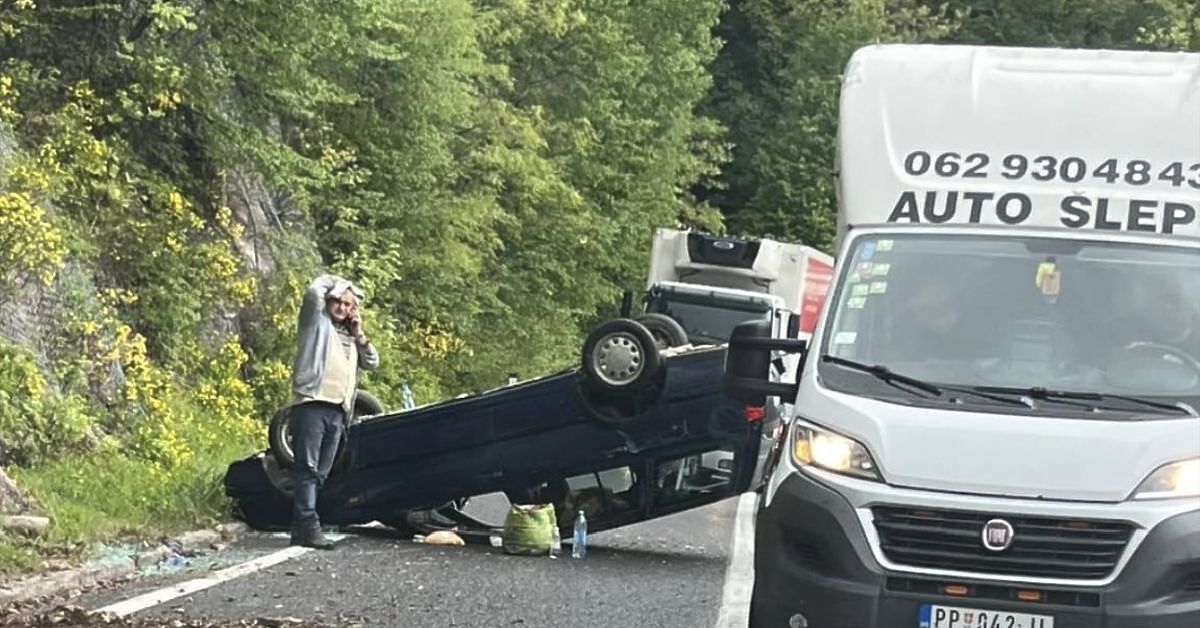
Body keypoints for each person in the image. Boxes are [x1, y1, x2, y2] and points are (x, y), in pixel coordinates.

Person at [287, 274, 380, 549]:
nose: (342, 307)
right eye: (337, 301)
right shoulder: (316, 323)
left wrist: (359, 332)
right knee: (308, 468)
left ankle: (301, 526)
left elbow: (372, 362)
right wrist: (336, 281)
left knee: (321, 472)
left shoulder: (350, 336)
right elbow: (313, 292)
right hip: (313, 403)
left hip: (338, 410)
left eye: (348, 304)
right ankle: (307, 526)